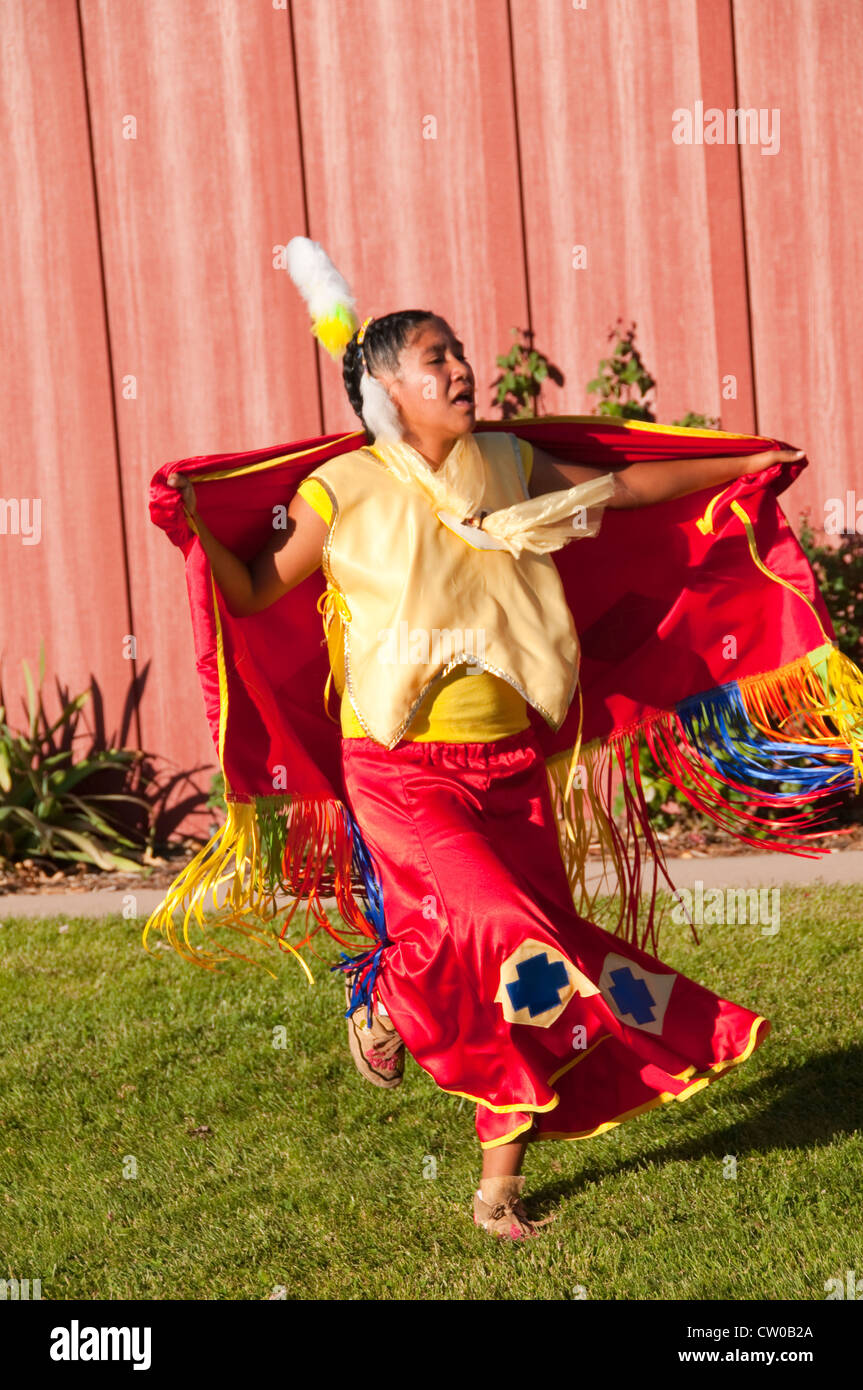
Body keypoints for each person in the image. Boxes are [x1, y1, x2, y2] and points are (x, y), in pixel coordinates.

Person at [168, 296, 801, 1241]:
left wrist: (740, 464)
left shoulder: (504, 463)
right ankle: (382, 995)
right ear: (385, 387)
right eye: (435, 360)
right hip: (399, 768)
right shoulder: (342, 487)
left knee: (520, 961)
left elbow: (616, 491)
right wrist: (193, 528)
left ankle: (495, 1187)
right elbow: (257, 585)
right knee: (501, 932)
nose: (460, 370)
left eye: (458, 353)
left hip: (509, 765)